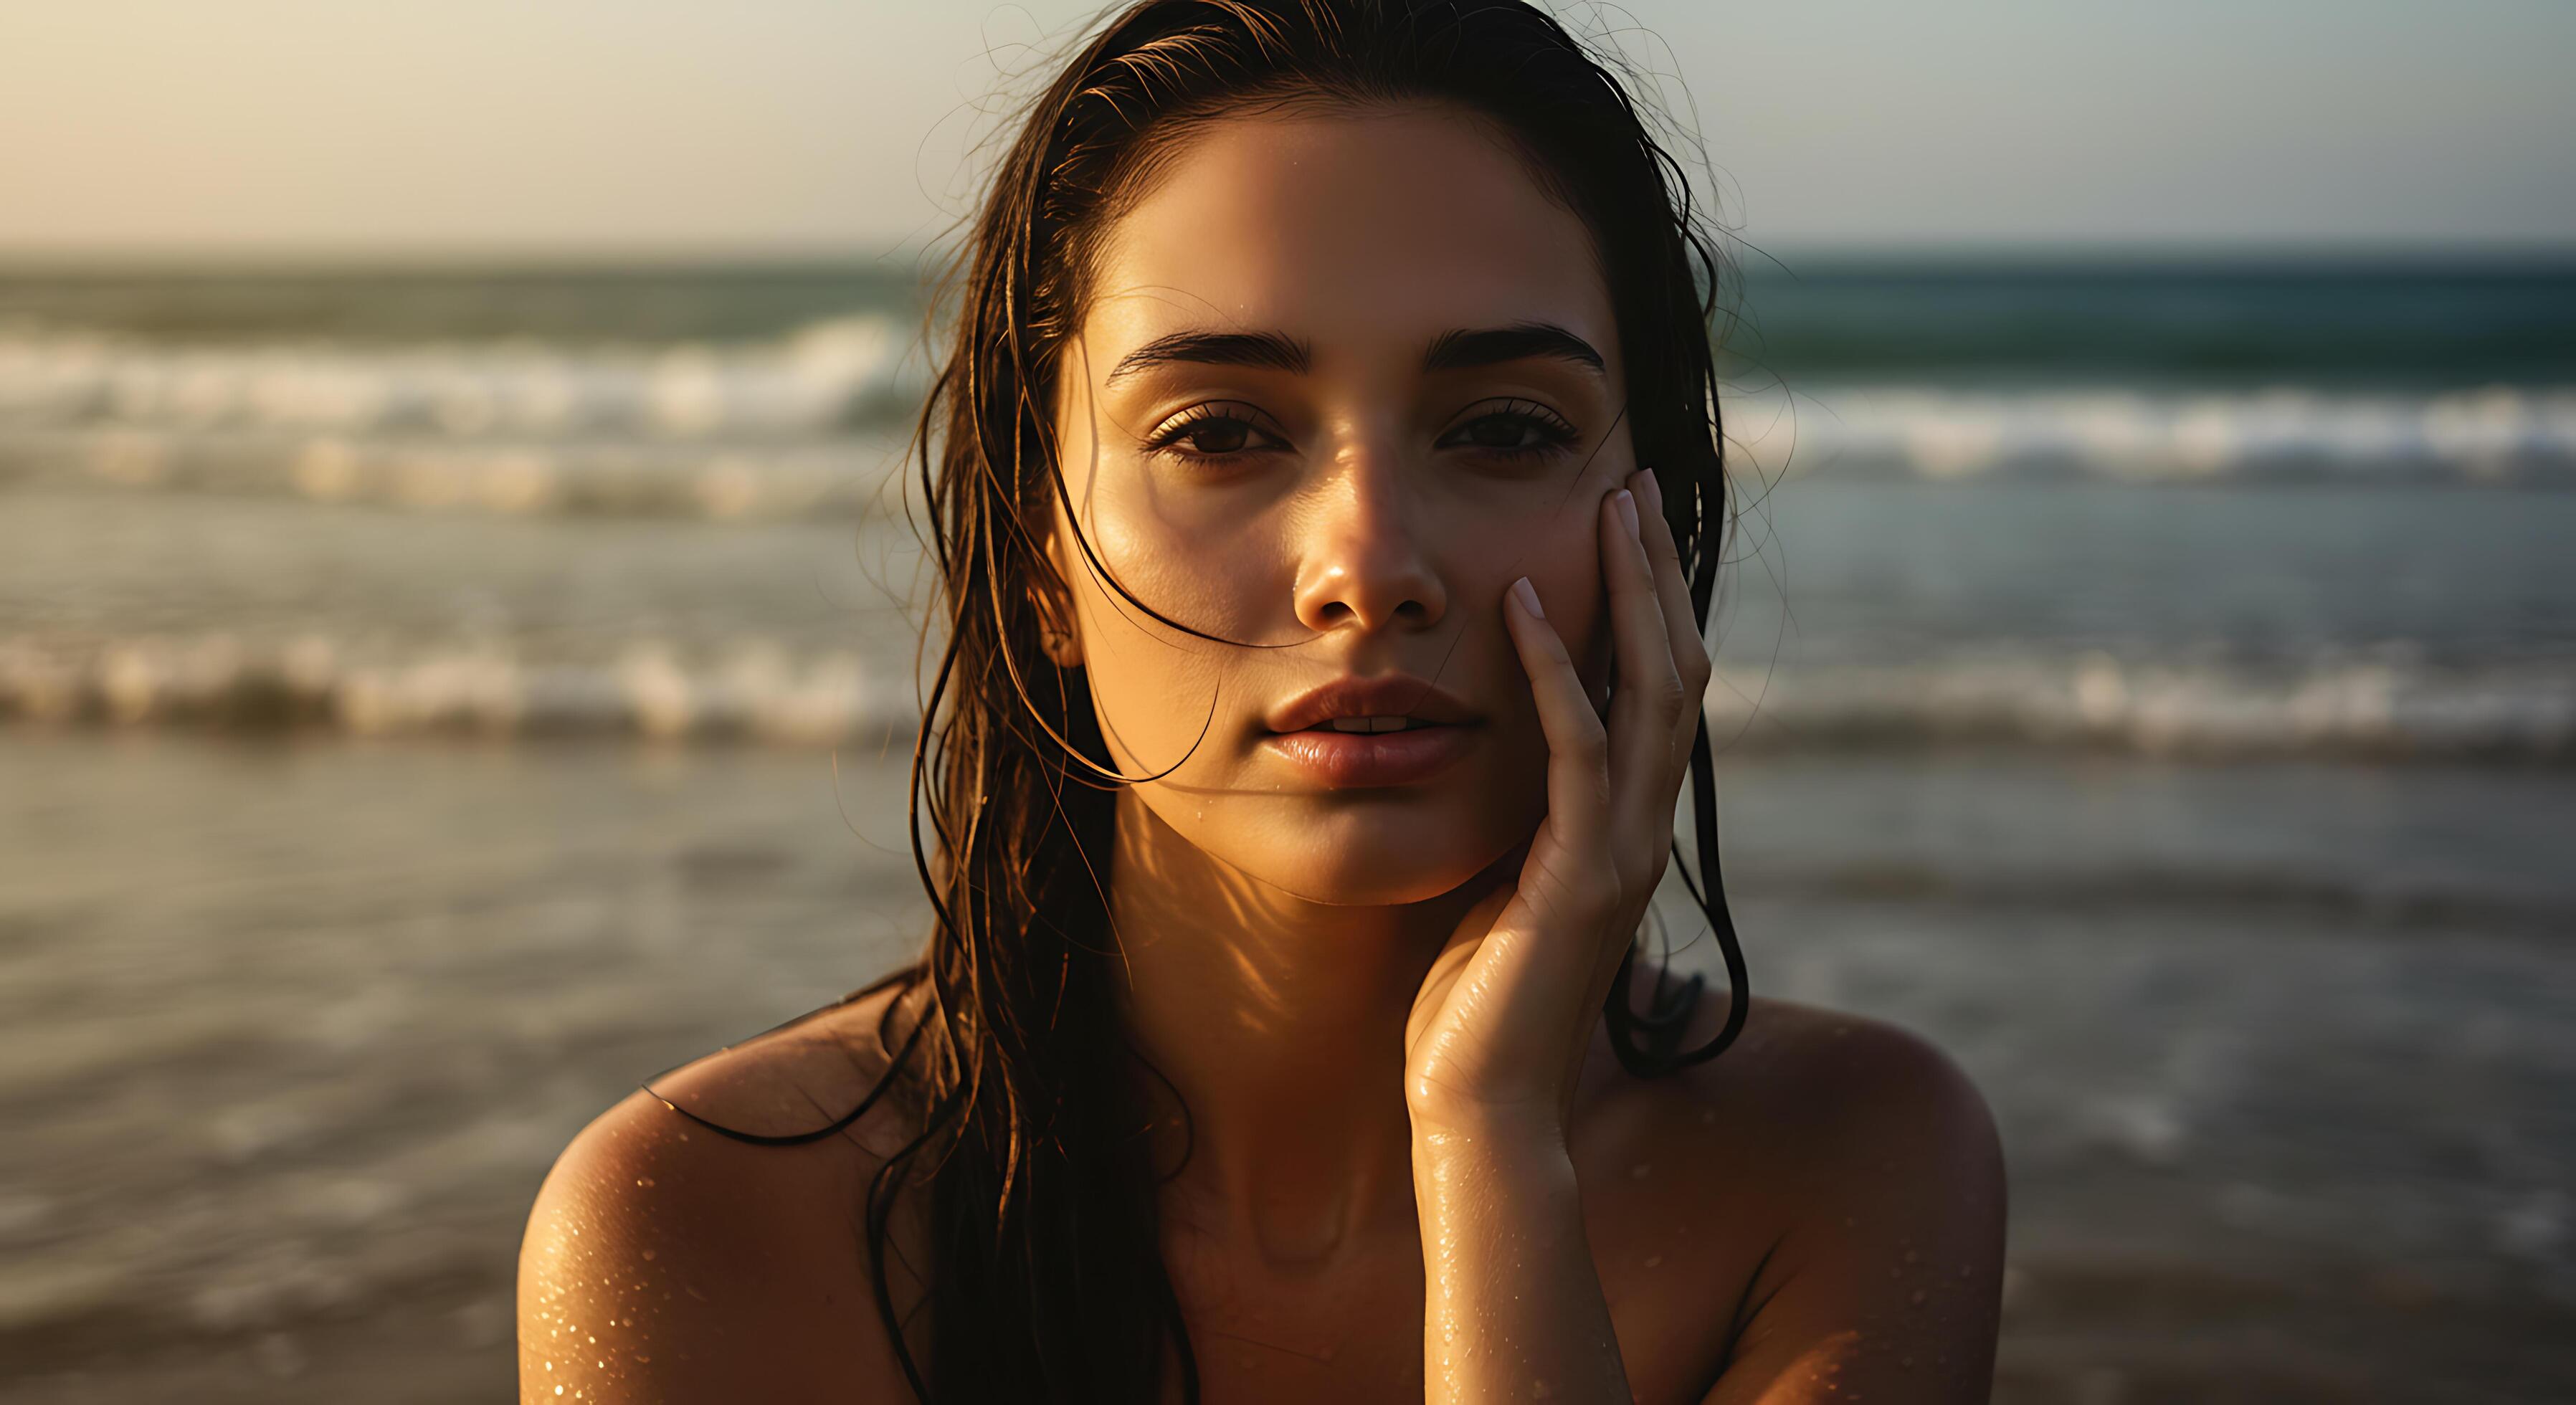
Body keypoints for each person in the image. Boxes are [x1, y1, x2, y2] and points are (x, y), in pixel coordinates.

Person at [515, 1, 2006, 1400]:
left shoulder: (1850, 1162)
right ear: (1043, 555)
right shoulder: (711, 1216)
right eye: (1218, 431)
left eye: (1502, 428)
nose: (1368, 567)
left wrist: (1490, 1137)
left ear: (1652, 514)